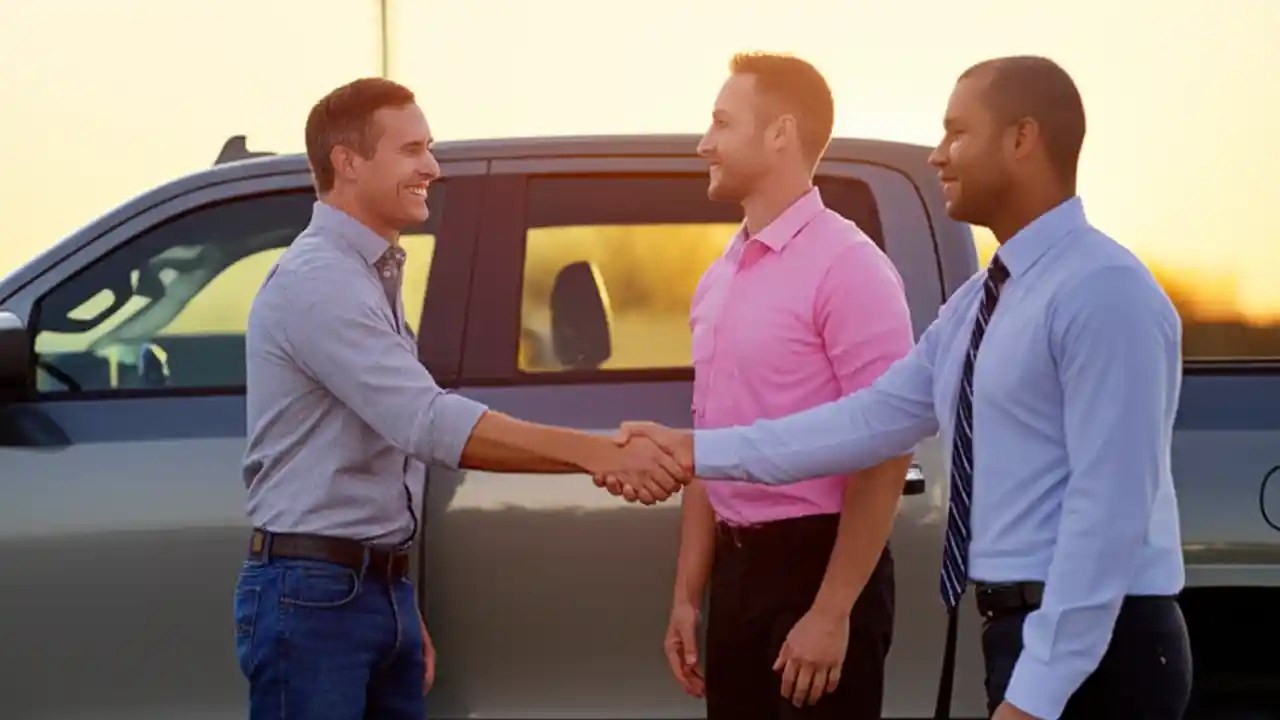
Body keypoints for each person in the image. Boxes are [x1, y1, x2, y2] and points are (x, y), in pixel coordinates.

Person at [610, 56, 1192, 720]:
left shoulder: (1102, 290)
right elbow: (863, 422)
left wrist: (1034, 697)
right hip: (1017, 634)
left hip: (1105, 653)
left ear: (1022, 139)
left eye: (956, 134)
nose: (938, 157)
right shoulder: (979, 305)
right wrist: (693, 452)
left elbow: (1109, 511)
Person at [234, 77, 688, 720]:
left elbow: (393, 448)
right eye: (411, 149)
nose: (432, 167)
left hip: (363, 594)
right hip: (315, 603)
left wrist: (394, 605)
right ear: (348, 162)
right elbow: (425, 421)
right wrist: (594, 453)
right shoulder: (320, 282)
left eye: (430, 147)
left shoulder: (369, 275)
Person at [658, 51, 913, 720]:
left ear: (781, 134)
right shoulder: (719, 278)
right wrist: (689, 597)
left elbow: (888, 450)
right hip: (737, 579)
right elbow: (707, 449)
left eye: (721, 122)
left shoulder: (851, 267)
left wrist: (832, 612)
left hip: (819, 567)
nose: (702, 143)